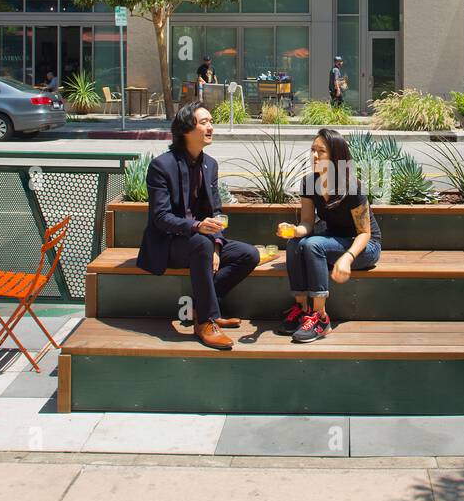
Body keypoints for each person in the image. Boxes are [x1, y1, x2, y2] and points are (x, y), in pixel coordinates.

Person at [137, 102, 259, 350]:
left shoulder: (210, 164)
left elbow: (215, 212)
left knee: (249, 254)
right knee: (201, 243)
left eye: (211, 121)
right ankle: (205, 321)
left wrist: (216, 244)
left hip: (202, 242)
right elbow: (160, 218)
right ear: (186, 129)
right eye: (204, 122)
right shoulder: (162, 166)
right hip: (168, 244)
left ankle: (203, 306)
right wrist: (196, 227)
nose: (211, 127)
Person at [276, 127, 381, 343]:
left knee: (314, 245)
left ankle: (321, 318)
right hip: (333, 239)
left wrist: (347, 258)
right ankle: (302, 307)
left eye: (321, 151)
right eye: (313, 150)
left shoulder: (352, 186)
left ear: (335, 156)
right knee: (296, 244)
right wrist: (295, 231)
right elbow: (307, 222)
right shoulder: (308, 182)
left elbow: (365, 233)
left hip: (364, 246)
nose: (314, 155)